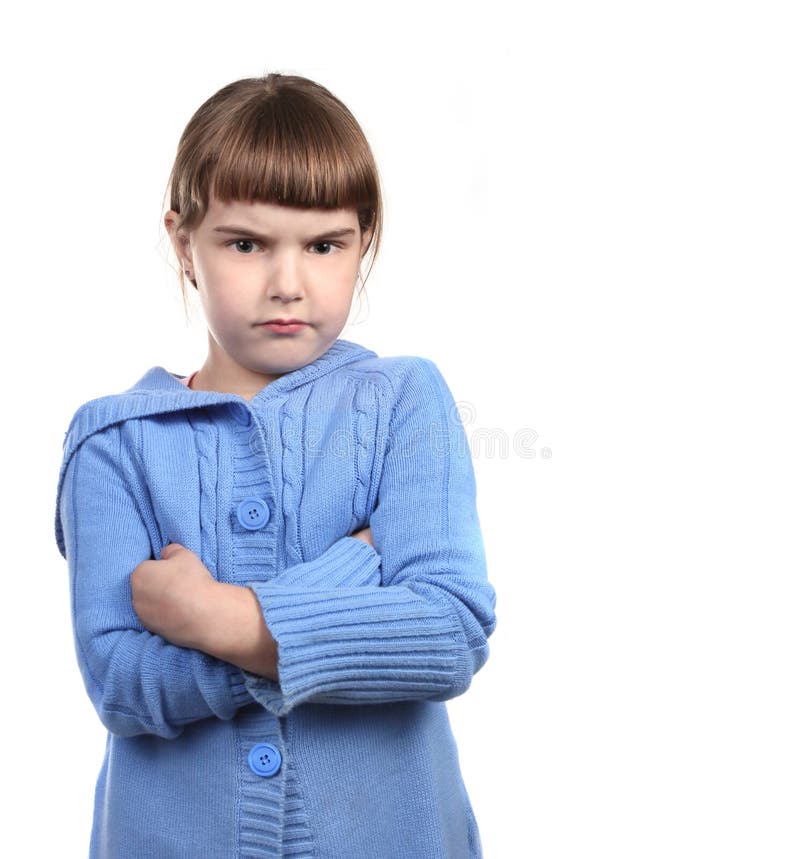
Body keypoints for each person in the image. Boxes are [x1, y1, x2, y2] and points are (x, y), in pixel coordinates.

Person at [54, 72, 497, 859]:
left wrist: (220, 618)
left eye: (325, 244)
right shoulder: (112, 440)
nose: (288, 283)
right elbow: (121, 681)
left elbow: (448, 630)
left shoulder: (404, 401)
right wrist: (349, 579)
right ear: (183, 242)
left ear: (365, 240)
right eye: (247, 243)